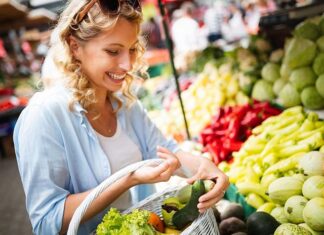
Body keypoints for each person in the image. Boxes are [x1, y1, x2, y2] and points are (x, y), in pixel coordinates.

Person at [13, 0, 229, 234]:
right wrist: (128, 179)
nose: (127, 65)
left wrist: (205, 166)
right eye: (113, 51)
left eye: (132, 49)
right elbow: (47, 220)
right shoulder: (44, 116)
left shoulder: (123, 103)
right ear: (75, 47)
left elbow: (166, 150)